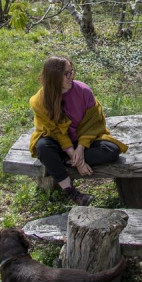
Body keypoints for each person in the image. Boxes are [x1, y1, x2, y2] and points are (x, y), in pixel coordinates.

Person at [29, 56, 128, 205]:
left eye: (72, 71)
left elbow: (94, 122)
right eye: (66, 74)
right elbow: (56, 132)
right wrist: (78, 159)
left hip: (83, 139)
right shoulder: (40, 100)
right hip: (57, 141)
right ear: (54, 77)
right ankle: (72, 192)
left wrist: (80, 149)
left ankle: (66, 161)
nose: (71, 77)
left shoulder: (83, 90)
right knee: (43, 147)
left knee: (111, 150)